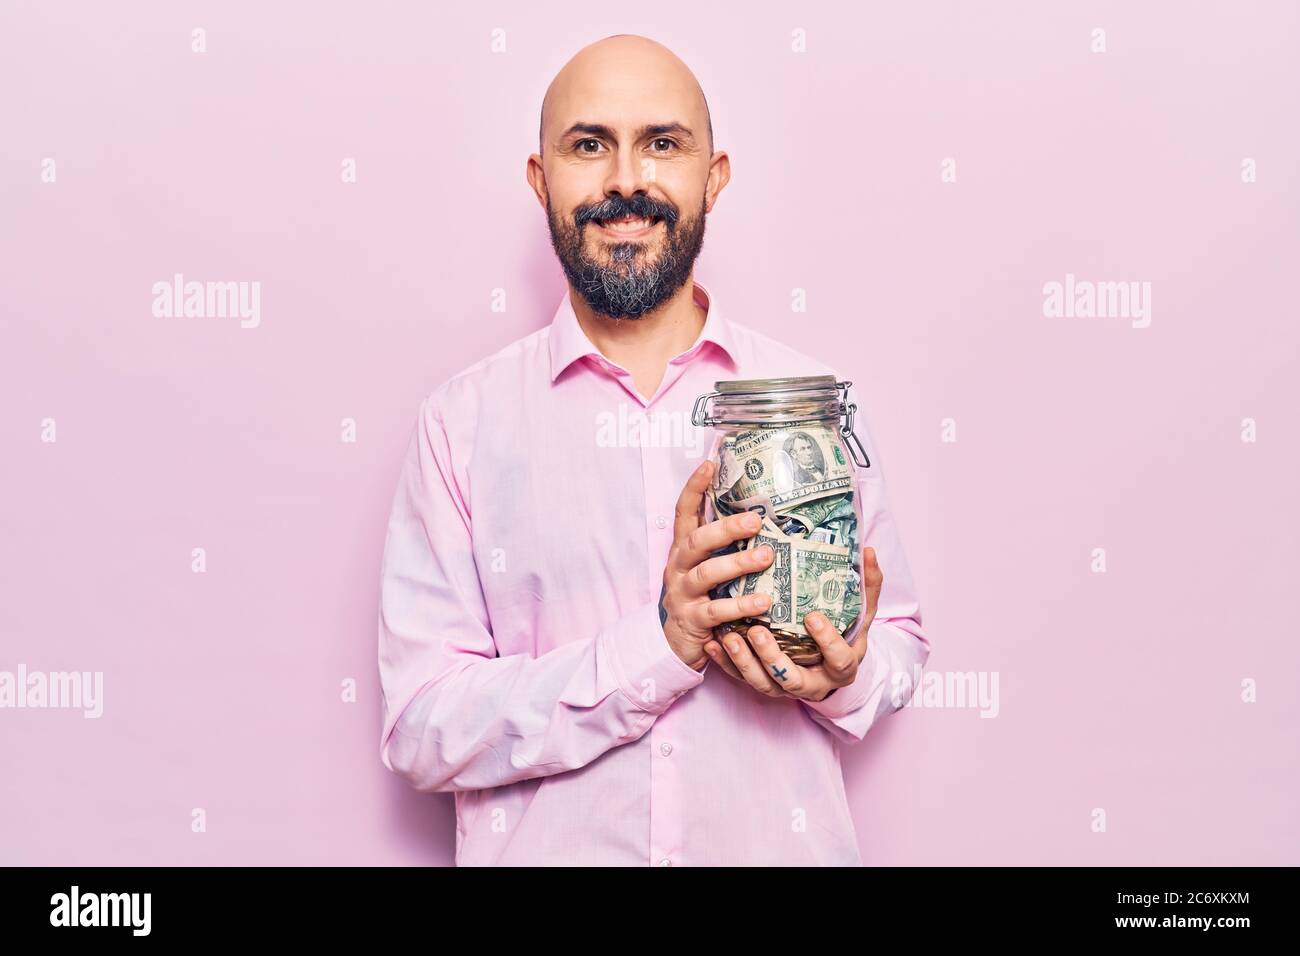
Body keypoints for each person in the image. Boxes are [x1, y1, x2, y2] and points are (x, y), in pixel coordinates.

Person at [377, 34, 930, 865]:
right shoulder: (461, 423)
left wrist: (845, 673)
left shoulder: (811, 400)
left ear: (714, 176)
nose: (626, 180)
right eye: (589, 145)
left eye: (663, 144)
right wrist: (656, 647)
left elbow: (900, 643)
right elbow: (422, 727)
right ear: (542, 181)